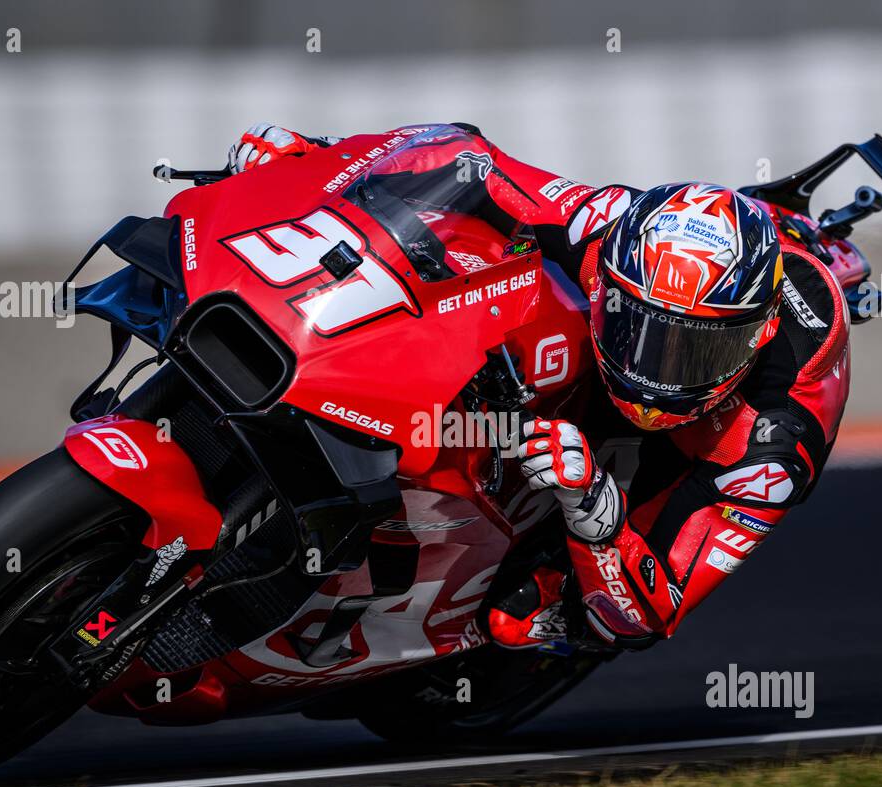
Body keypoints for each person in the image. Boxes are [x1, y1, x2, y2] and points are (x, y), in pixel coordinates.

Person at [229, 123, 850, 650]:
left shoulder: (777, 441)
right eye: (636, 326)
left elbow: (649, 616)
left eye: (696, 349)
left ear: (761, 333)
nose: (655, 370)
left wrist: (596, 514)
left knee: (523, 618)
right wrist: (318, 160)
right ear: (611, 280)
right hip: (619, 309)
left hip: (702, 439)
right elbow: (467, 158)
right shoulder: (606, 230)